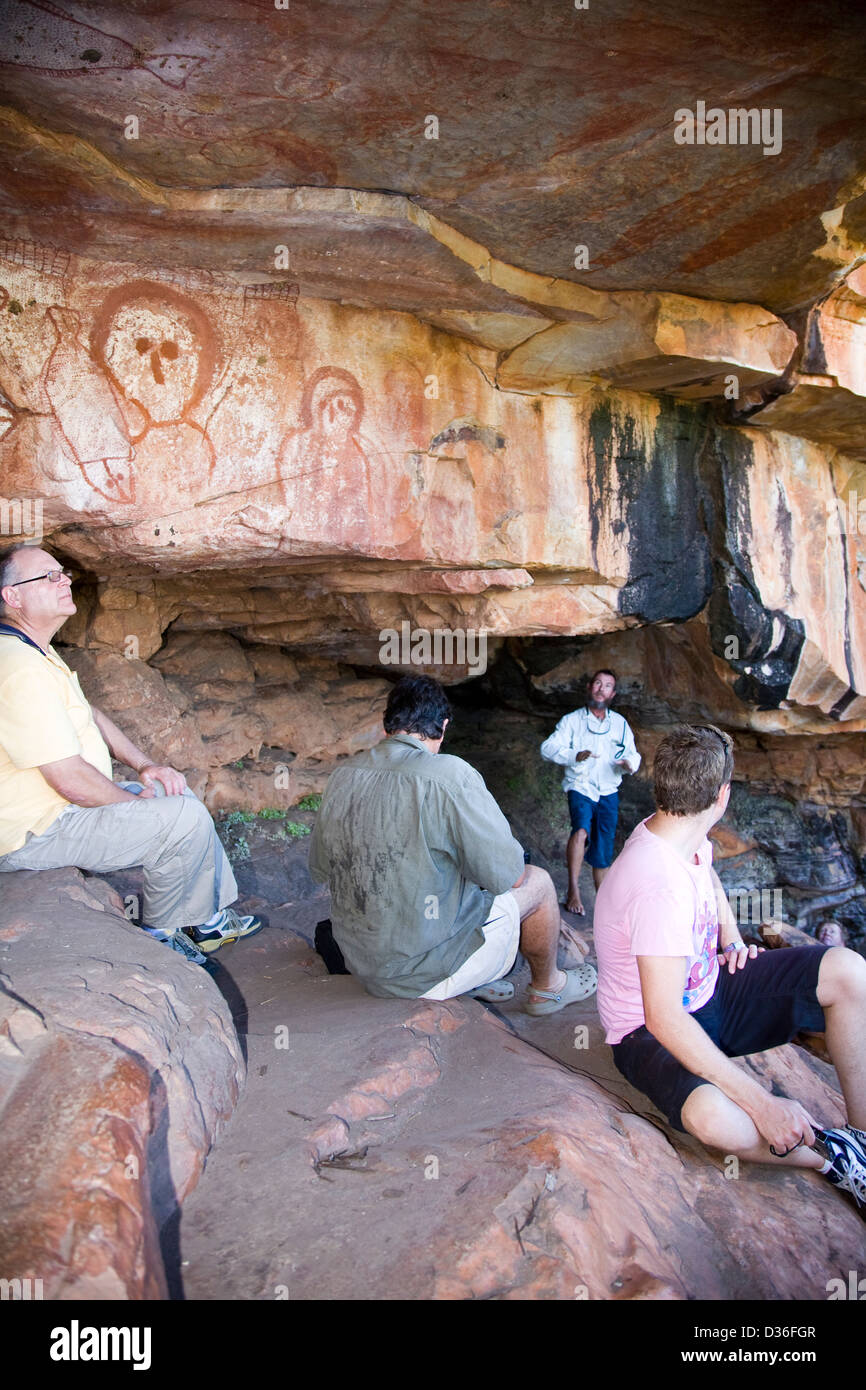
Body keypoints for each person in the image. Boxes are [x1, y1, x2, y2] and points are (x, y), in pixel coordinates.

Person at [593, 724, 866, 1209]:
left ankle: (864, 1139)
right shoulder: (658, 885)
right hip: (647, 1033)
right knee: (714, 1119)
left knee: (848, 970)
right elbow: (663, 1017)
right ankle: (834, 1156)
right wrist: (763, 1103)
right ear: (722, 796)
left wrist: (732, 936)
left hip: (711, 990)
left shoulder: (679, 830)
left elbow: (709, 873)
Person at [0, 544, 263, 966]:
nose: (65, 580)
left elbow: (91, 714)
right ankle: (160, 935)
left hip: (61, 810)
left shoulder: (37, 653)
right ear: (13, 596)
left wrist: (146, 767)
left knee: (176, 793)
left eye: (63, 573)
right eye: (49, 576)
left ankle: (207, 919)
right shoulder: (15, 664)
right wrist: (133, 805)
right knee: (178, 818)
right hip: (34, 831)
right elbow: (69, 779)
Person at [309, 674, 597, 1013]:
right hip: (421, 974)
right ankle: (549, 988)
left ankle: (472, 979)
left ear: (388, 725)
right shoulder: (450, 775)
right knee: (539, 882)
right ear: (442, 726)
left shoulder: (343, 775)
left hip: (360, 963)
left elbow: (320, 868)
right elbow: (511, 877)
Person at [540, 668, 640, 916]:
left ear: (612, 694)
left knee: (603, 849)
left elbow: (633, 754)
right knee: (581, 829)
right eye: (597, 683)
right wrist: (575, 755)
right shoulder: (572, 721)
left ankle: (604, 905)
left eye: (606, 686)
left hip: (608, 789)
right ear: (589, 688)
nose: (600, 688)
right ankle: (573, 890)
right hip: (580, 785)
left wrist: (629, 764)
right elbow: (547, 748)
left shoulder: (620, 724)